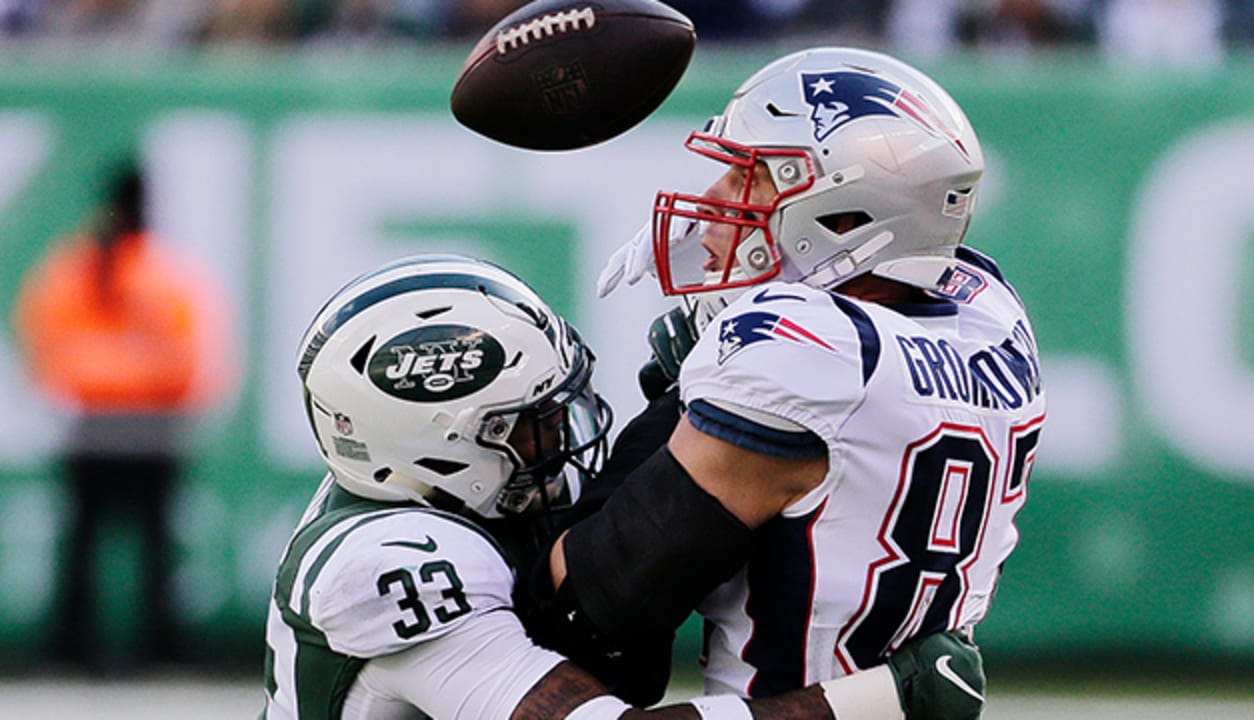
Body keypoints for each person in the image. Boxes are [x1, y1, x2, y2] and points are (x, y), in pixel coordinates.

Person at [261, 253, 985, 720]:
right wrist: (878, 699)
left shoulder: (427, 492)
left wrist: (697, 392)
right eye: (530, 426)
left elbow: (603, 572)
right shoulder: (388, 565)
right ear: (442, 446)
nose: (561, 439)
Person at [541, 45, 1047, 708]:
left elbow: (599, 599)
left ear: (846, 218)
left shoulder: (802, 350)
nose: (716, 199)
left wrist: (679, 388)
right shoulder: (991, 314)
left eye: (753, 178)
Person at [12, 160, 233, 670]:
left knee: (84, 545)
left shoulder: (73, 270)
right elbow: (192, 352)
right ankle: (158, 647)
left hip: (92, 425)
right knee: (154, 546)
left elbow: (43, 339)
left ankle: (72, 648)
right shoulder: (162, 273)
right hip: (151, 426)